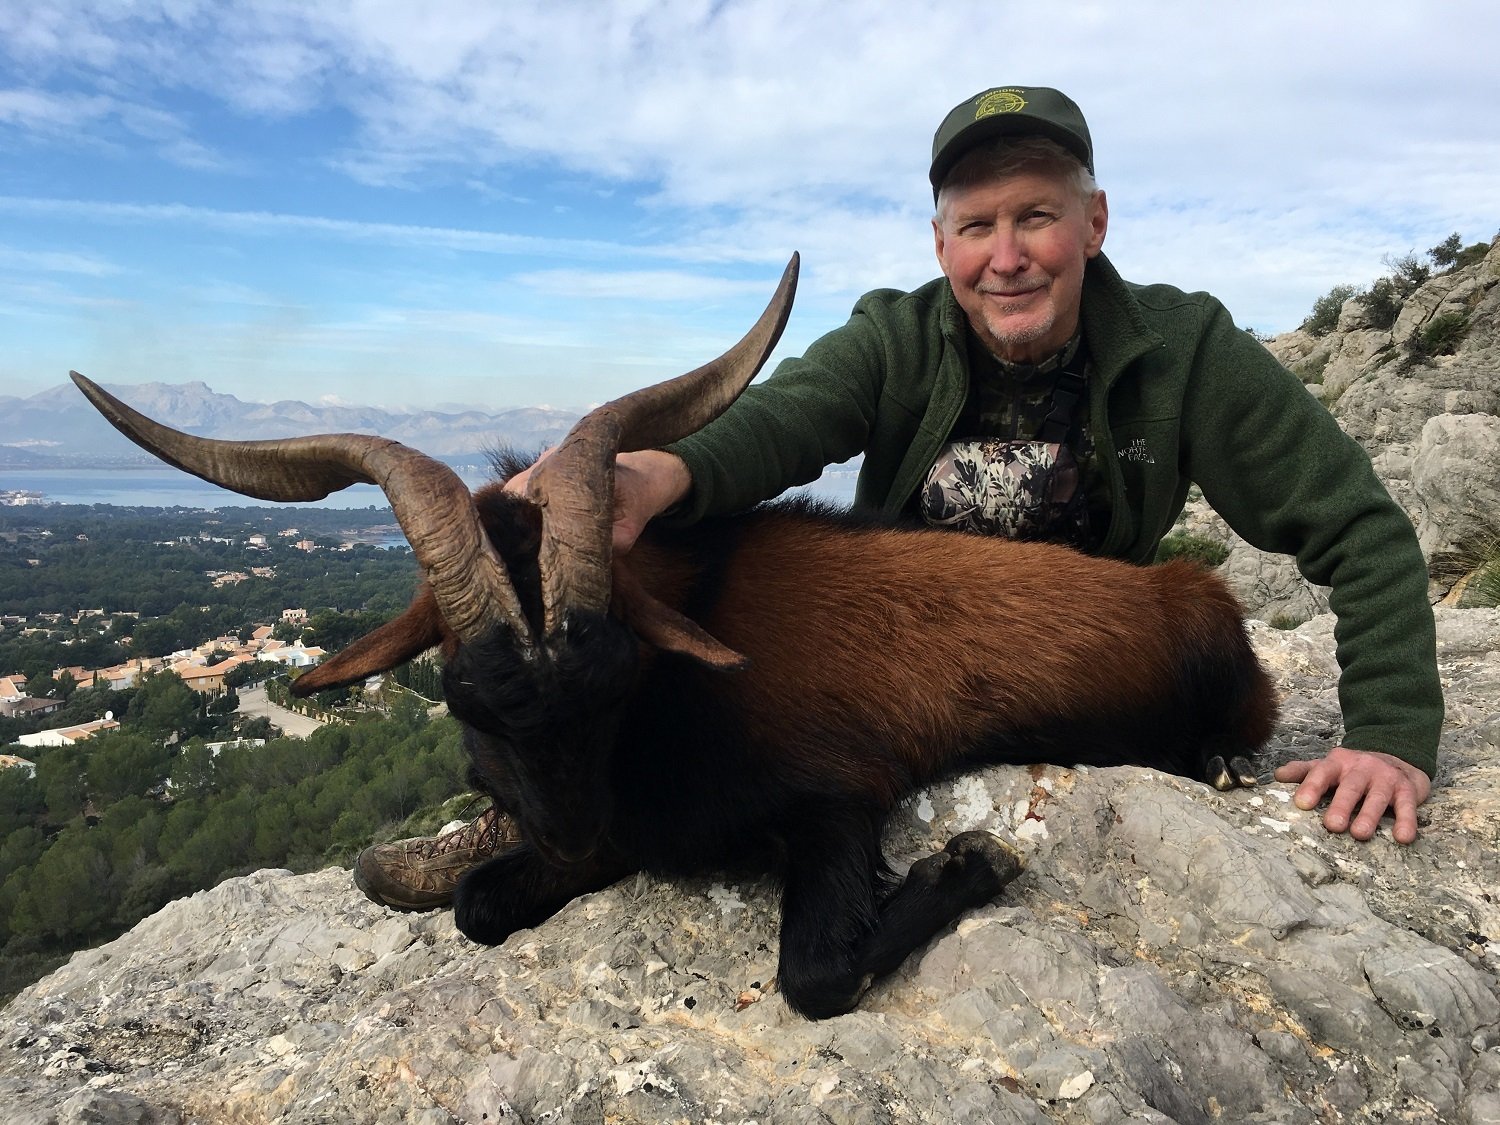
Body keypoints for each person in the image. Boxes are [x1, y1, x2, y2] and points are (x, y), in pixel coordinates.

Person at [354, 85, 1441, 912]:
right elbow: (785, 419)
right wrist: (663, 473)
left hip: (1058, 645)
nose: (1006, 257)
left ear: (1094, 223)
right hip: (899, 658)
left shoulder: (1186, 347)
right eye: (977, 226)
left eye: (1037, 218)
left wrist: (1389, 736)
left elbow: (1357, 526)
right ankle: (525, 815)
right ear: (940, 243)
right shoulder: (895, 335)